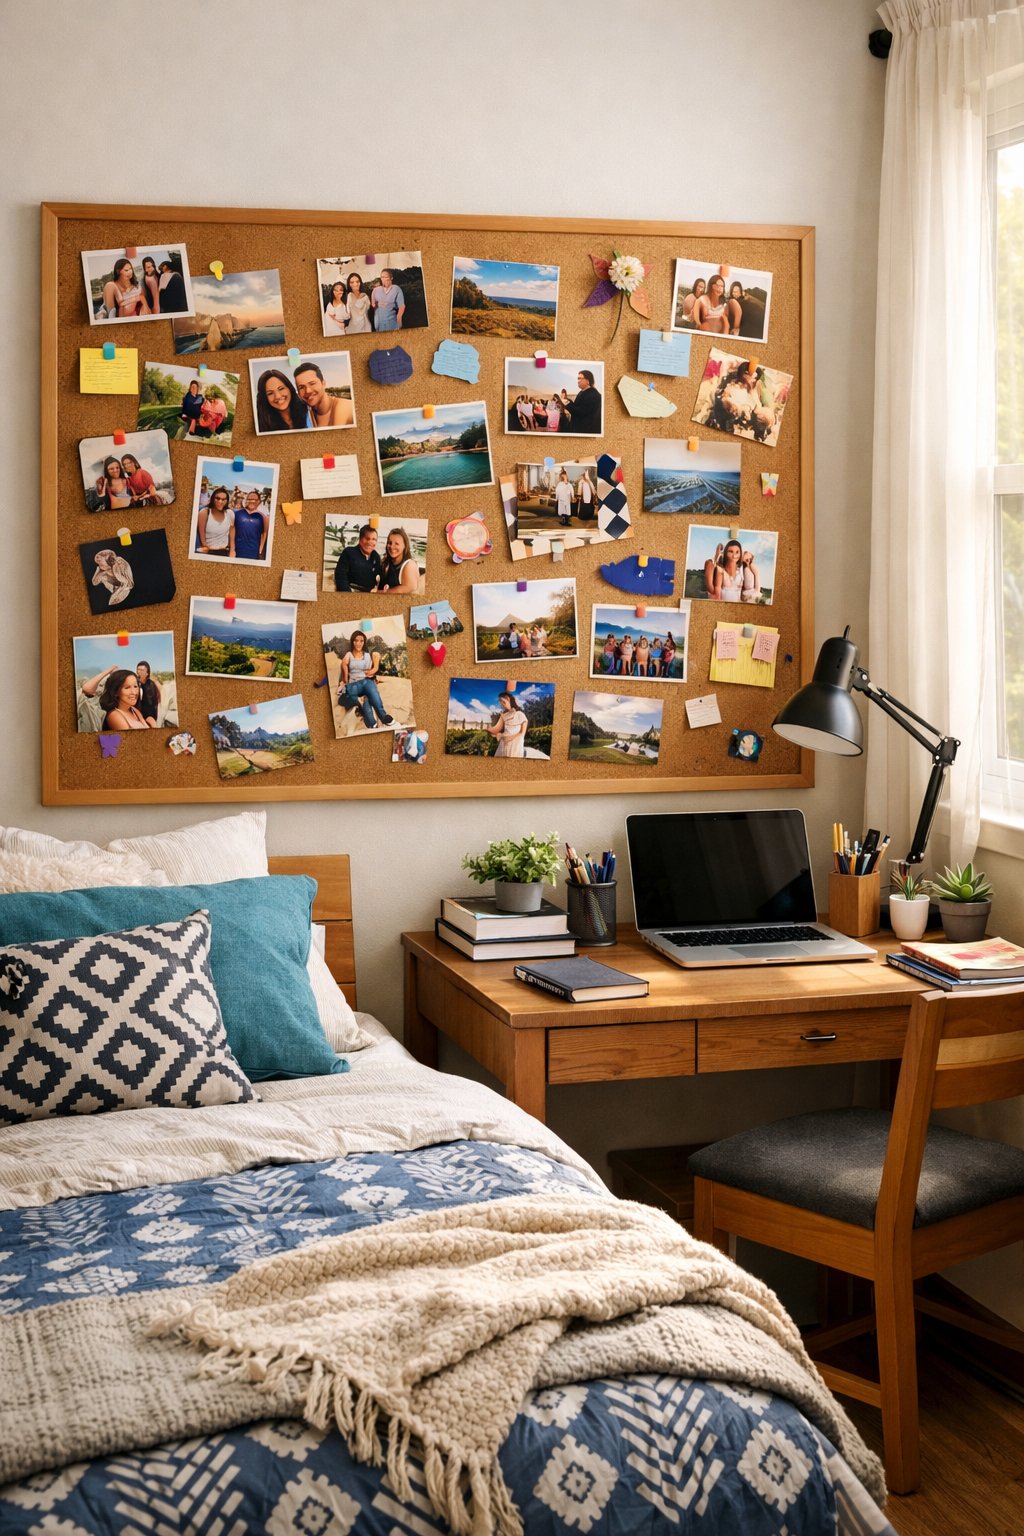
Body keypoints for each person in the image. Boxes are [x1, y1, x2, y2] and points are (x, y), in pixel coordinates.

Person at [338, 629, 393, 730]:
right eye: (356, 640)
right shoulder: (348, 655)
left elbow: (370, 673)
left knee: (368, 692)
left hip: (366, 682)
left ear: (364, 642)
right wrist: (343, 684)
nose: (358, 643)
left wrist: (375, 667)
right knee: (364, 689)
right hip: (354, 685)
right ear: (352, 642)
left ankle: (377, 720)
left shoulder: (367, 656)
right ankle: (373, 717)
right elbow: (345, 677)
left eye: (361, 641)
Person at [81, 667, 155, 730]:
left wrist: (151, 723)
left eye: (135, 686)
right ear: (116, 692)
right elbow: (86, 689)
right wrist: (110, 669)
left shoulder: (134, 710)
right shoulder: (114, 716)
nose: (134, 692)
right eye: (127, 687)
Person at [294, 360, 354, 429]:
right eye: (301, 387)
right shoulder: (308, 413)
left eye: (312, 383)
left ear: (323, 383)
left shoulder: (343, 406)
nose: (307, 391)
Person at [334, 524, 382, 592]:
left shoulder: (376, 556)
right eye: (367, 538)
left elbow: (380, 578)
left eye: (374, 539)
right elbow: (340, 578)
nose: (370, 542)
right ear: (360, 539)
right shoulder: (349, 552)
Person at [559, 370, 602, 434]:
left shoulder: (592, 394)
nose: (578, 381)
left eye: (580, 379)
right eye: (578, 379)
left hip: (585, 431)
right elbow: (577, 406)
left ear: (588, 381)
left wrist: (567, 403)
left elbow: (581, 413)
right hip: (579, 428)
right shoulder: (583, 392)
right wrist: (568, 401)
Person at [376, 527, 419, 593]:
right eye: (390, 543)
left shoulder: (409, 565)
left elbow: (409, 588)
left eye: (397, 544)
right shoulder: (386, 563)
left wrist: (376, 593)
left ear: (405, 546)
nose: (392, 547)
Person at [197, 485, 235, 556]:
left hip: (225, 551)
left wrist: (232, 550)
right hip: (209, 551)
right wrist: (205, 547)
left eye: (224, 499)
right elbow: (201, 533)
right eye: (217, 498)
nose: (220, 501)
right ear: (212, 498)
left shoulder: (230, 513)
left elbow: (232, 530)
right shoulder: (204, 512)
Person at [233, 488, 269, 562]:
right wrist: (232, 549)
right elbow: (232, 531)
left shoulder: (263, 517)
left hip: (254, 552)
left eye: (254, 499)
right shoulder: (237, 513)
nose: (251, 501)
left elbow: (264, 533)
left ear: (259, 501)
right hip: (237, 551)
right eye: (249, 499)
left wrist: (260, 550)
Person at [489, 691, 528, 758]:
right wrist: (494, 733)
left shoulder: (520, 714)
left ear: (508, 698)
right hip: (504, 743)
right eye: (500, 702)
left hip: (515, 744)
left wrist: (509, 738)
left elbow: (522, 733)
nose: (501, 703)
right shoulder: (503, 716)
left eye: (502, 701)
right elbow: (495, 729)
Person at [135, 659, 161, 725]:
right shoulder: (135, 683)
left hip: (150, 714)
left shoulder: (151, 684)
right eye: (138, 669)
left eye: (142, 670)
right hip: (137, 713)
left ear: (147, 672)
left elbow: (157, 699)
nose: (140, 672)